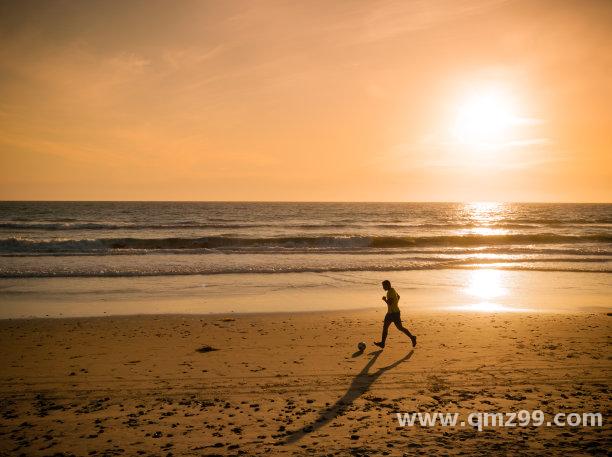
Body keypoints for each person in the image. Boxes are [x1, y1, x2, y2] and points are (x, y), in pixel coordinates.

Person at [374, 280, 416, 348]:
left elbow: (390, 303)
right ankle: (382, 343)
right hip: (390, 313)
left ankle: (412, 337)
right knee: (385, 327)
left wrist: (385, 300)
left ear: (387, 285)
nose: (383, 287)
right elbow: (398, 296)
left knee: (400, 328)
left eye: (384, 286)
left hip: (394, 314)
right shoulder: (392, 290)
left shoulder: (391, 292)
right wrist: (395, 303)